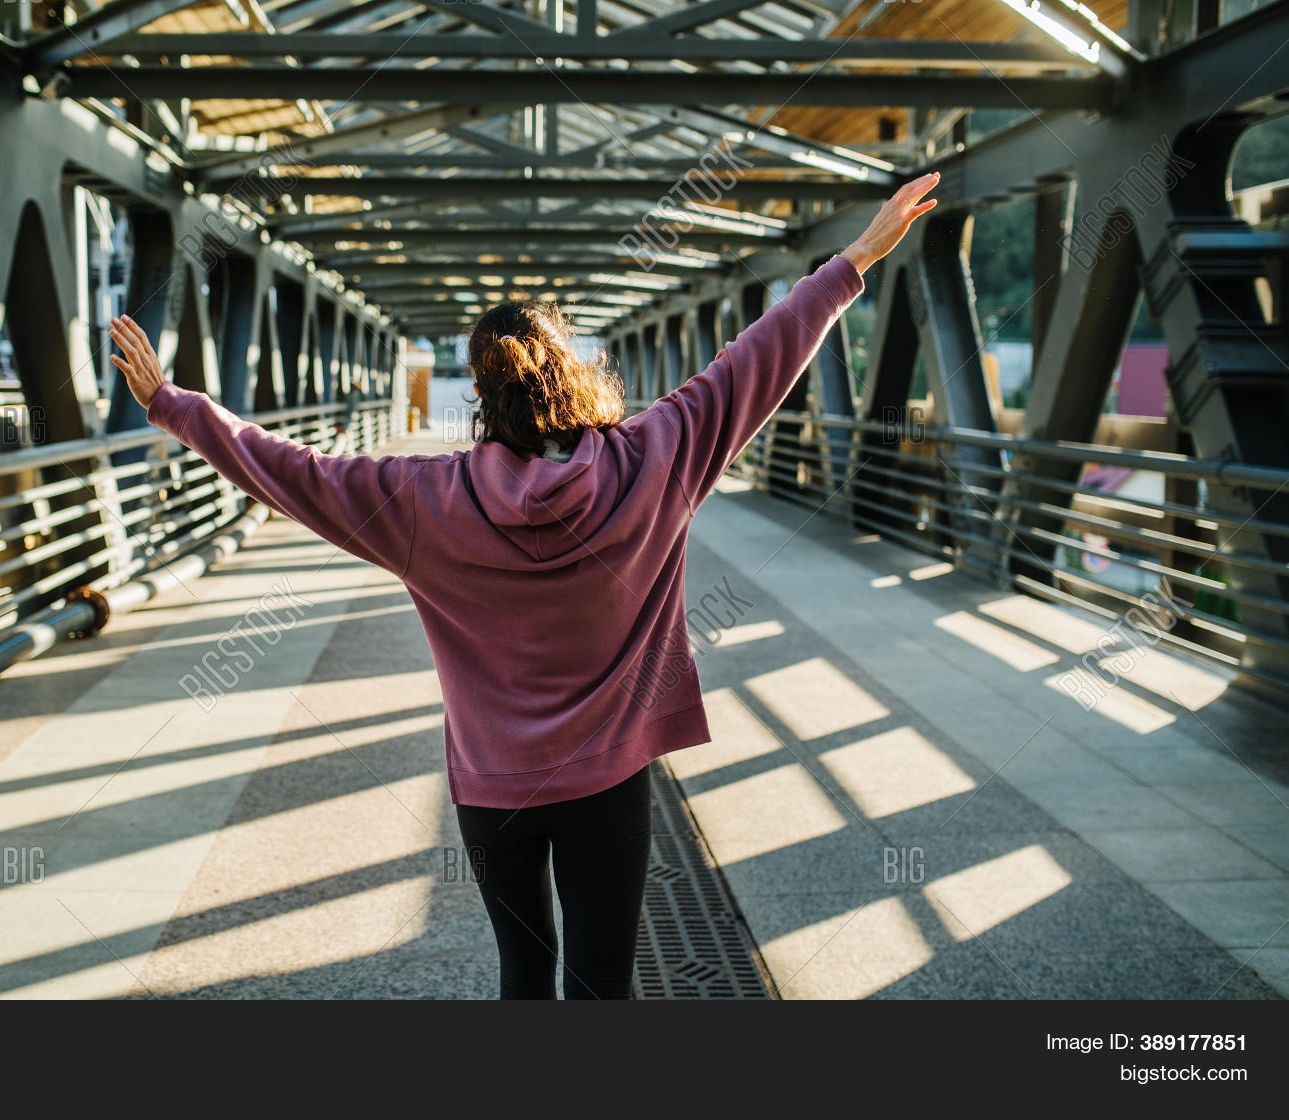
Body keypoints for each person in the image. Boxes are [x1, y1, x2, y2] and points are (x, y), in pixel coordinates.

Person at [108, 173, 939, 999]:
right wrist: (854, 261)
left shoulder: (421, 503)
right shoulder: (657, 457)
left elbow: (296, 473)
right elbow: (755, 360)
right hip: (610, 779)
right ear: (570, 370)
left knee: (525, 972)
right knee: (604, 982)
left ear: (479, 392)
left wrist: (174, 405)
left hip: (493, 785)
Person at [328, 378, 365, 455]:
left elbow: (352, 411)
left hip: (348, 422)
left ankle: (334, 455)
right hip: (351, 421)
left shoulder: (354, 395)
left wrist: (345, 426)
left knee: (344, 438)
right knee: (348, 439)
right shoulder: (356, 395)